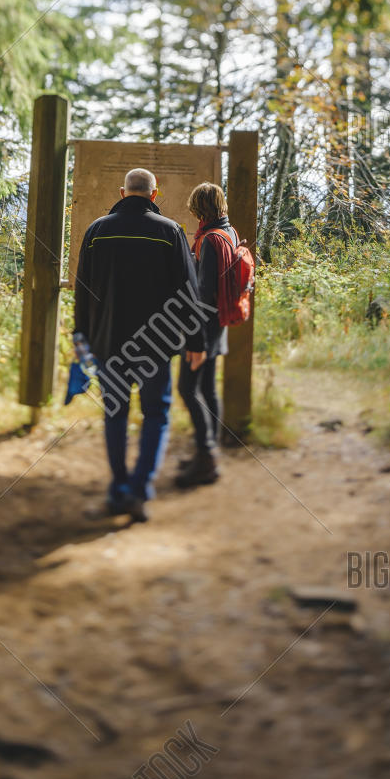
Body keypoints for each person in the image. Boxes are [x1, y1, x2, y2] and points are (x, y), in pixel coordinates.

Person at [73, 167, 203, 521]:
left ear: (122, 192)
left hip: (107, 342)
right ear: (154, 194)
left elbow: (81, 289)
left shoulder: (97, 231)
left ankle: (118, 491)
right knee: (156, 415)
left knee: (114, 414)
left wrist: (80, 335)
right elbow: (188, 295)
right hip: (155, 346)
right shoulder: (170, 232)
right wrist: (196, 341)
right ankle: (139, 491)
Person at [175, 181, 236, 488]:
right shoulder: (229, 232)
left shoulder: (210, 241)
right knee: (209, 390)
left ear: (200, 208)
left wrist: (192, 334)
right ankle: (206, 453)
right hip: (219, 323)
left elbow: (202, 294)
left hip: (203, 326)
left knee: (187, 388)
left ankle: (207, 456)